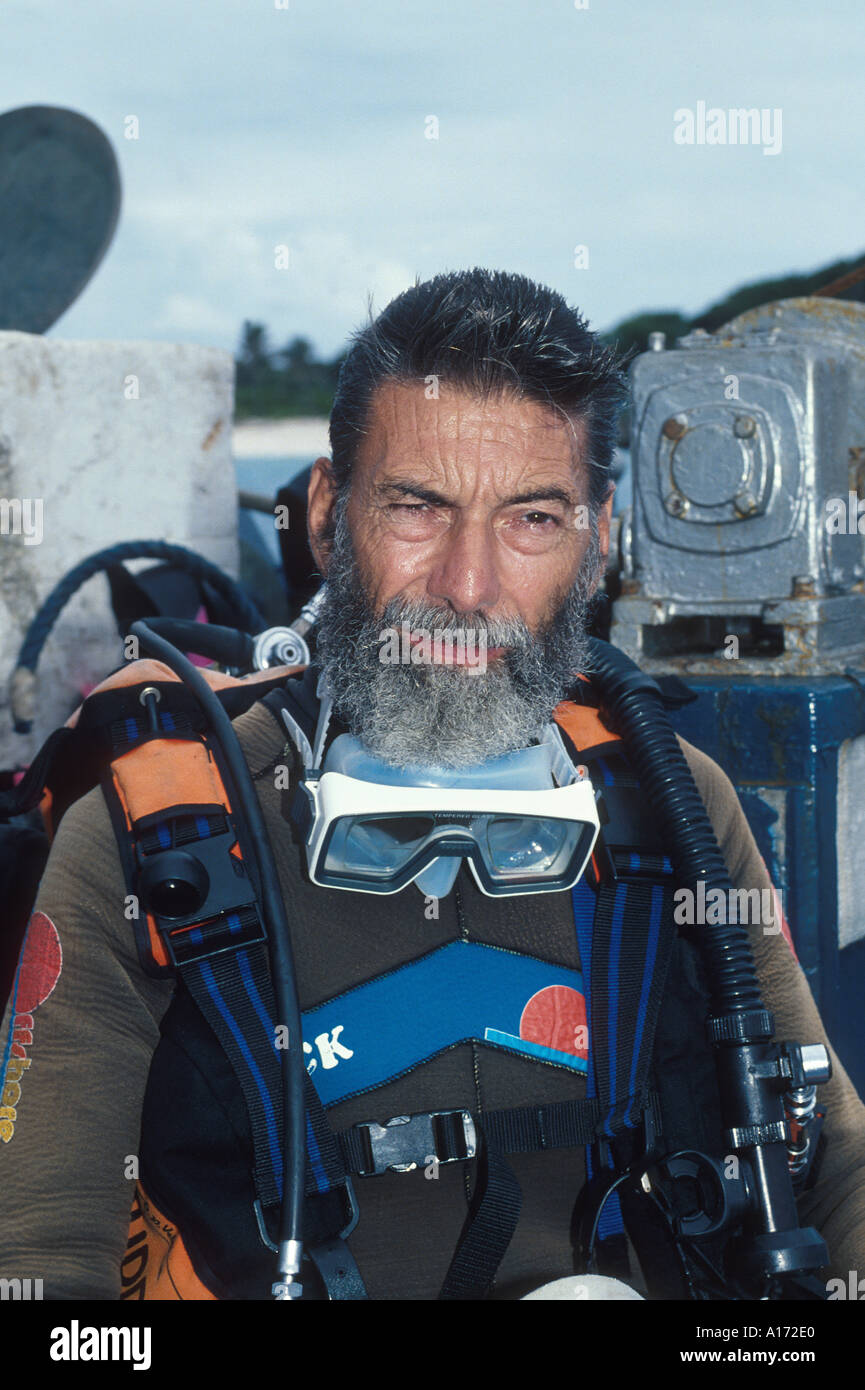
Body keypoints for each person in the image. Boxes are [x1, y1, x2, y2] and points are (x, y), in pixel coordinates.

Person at [1, 268, 863, 1301]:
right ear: (329, 515)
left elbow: (834, 1166)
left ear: (597, 543)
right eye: (417, 505)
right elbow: (41, 1258)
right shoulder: (163, 831)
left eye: (533, 519)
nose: (466, 586)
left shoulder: (673, 799)